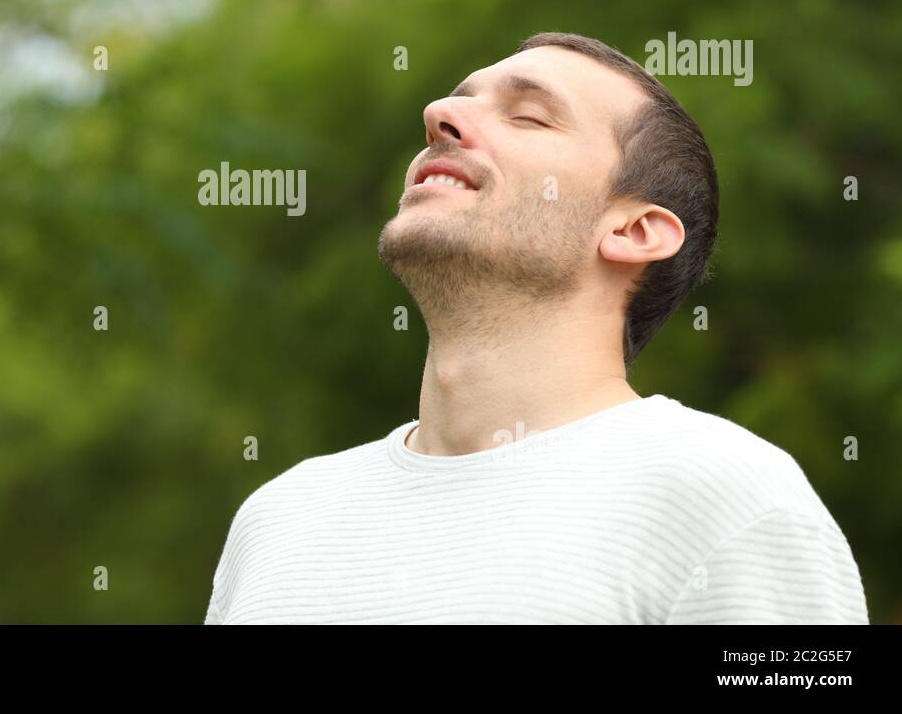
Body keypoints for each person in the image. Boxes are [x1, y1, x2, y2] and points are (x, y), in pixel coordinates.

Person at [204, 32, 868, 624]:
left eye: (527, 115)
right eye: (457, 101)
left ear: (634, 231)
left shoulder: (728, 500)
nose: (439, 115)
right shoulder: (281, 519)